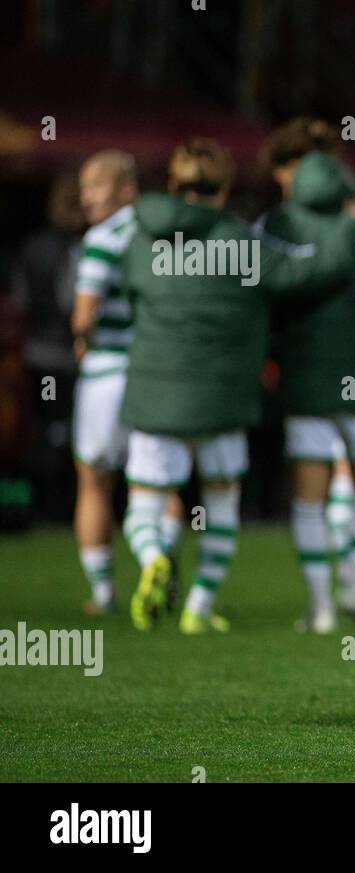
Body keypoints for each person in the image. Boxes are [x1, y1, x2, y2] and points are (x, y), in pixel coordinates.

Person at [118, 138, 355, 632]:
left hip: (154, 390)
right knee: (222, 500)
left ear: (173, 182)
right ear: (225, 186)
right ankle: (199, 608)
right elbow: (313, 273)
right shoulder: (241, 244)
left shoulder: (140, 240)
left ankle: (152, 560)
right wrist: (348, 225)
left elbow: (129, 294)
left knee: (144, 502)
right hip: (224, 396)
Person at [259, 119, 355, 633]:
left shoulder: (280, 224)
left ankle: (321, 606)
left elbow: (268, 301)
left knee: (310, 488)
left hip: (305, 373)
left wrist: (281, 351)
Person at [71, 150, 183, 614]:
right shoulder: (163, 237)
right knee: (162, 483)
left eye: (97, 185)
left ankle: (103, 593)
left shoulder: (102, 239)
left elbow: (84, 316)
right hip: (156, 374)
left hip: (106, 375)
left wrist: (81, 342)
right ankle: (161, 565)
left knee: (95, 483)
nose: (86, 197)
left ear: (126, 189)